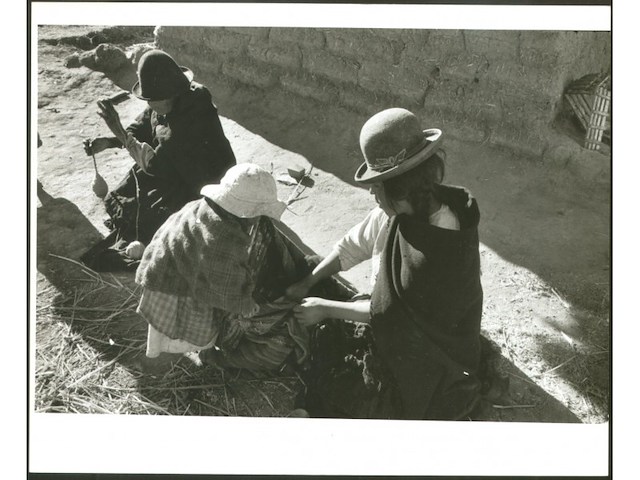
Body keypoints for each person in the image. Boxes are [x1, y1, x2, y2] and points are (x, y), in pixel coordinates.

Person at [286, 108, 484, 420]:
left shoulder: (440, 243)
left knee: (348, 394)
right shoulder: (399, 210)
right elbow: (354, 245)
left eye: (379, 186)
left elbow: (391, 315)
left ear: (402, 187)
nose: (372, 193)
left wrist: (324, 308)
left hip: (430, 352)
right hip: (390, 317)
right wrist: (310, 280)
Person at [134, 163, 339, 372]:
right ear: (246, 212)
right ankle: (176, 359)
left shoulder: (209, 209)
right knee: (182, 330)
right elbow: (225, 290)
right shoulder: (223, 240)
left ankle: (161, 356)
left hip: (172, 273)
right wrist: (247, 305)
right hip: (176, 287)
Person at [82, 49, 236, 270]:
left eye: (152, 100)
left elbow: (157, 165)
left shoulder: (193, 113)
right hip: (173, 168)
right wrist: (109, 141)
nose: (149, 104)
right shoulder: (164, 102)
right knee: (131, 184)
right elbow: (142, 126)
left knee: (160, 219)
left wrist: (121, 135)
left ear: (172, 93)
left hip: (203, 181)